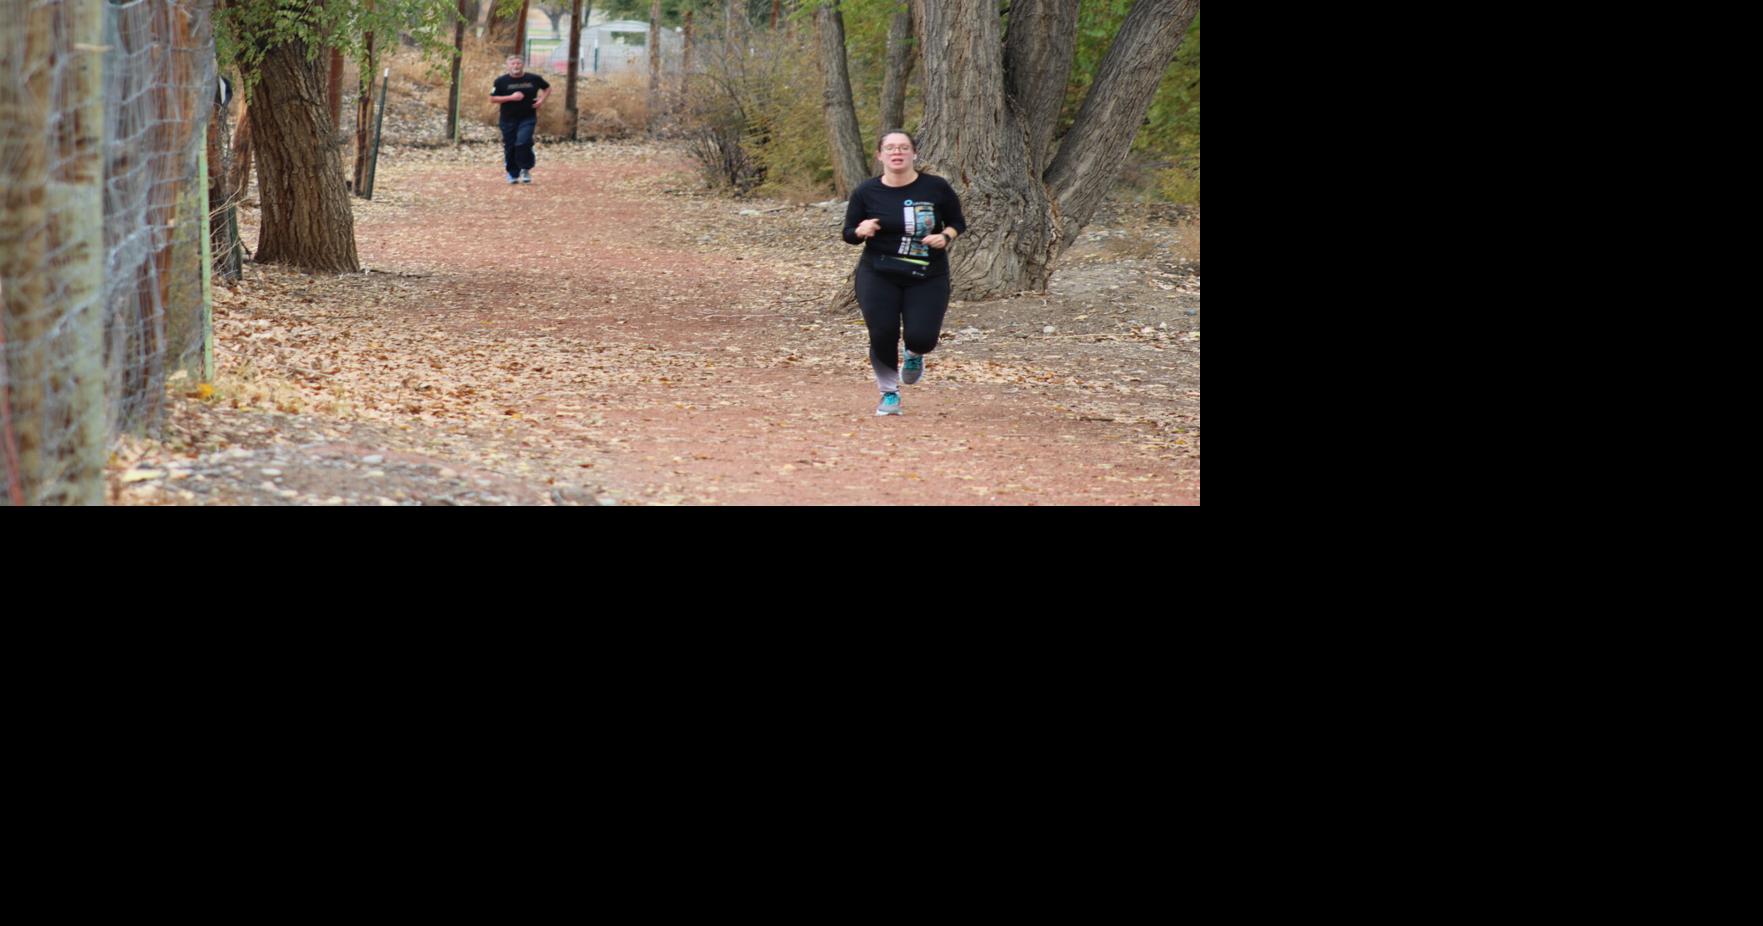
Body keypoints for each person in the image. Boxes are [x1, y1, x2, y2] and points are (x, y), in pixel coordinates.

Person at [842, 131, 967, 416]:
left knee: (922, 338)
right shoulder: (866, 191)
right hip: (878, 272)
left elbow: (958, 221)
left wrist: (945, 236)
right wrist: (861, 231)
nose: (896, 152)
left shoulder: (935, 187)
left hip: (927, 273)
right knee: (882, 332)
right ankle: (889, 393)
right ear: (880, 155)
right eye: (890, 148)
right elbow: (849, 234)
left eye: (903, 147)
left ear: (914, 153)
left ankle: (913, 354)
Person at [489, 56, 551, 184]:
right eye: (513, 64)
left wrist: (541, 100)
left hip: (527, 117)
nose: (516, 66)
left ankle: (525, 168)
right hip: (507, 119)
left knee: (523, 142)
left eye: (518, 63)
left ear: (523, 65)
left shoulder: (533, 78)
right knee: (510, 145)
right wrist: (511, 97)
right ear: (508, 66)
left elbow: (547, 88)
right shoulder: (501, 81)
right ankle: (513, 173)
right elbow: (493, 99)